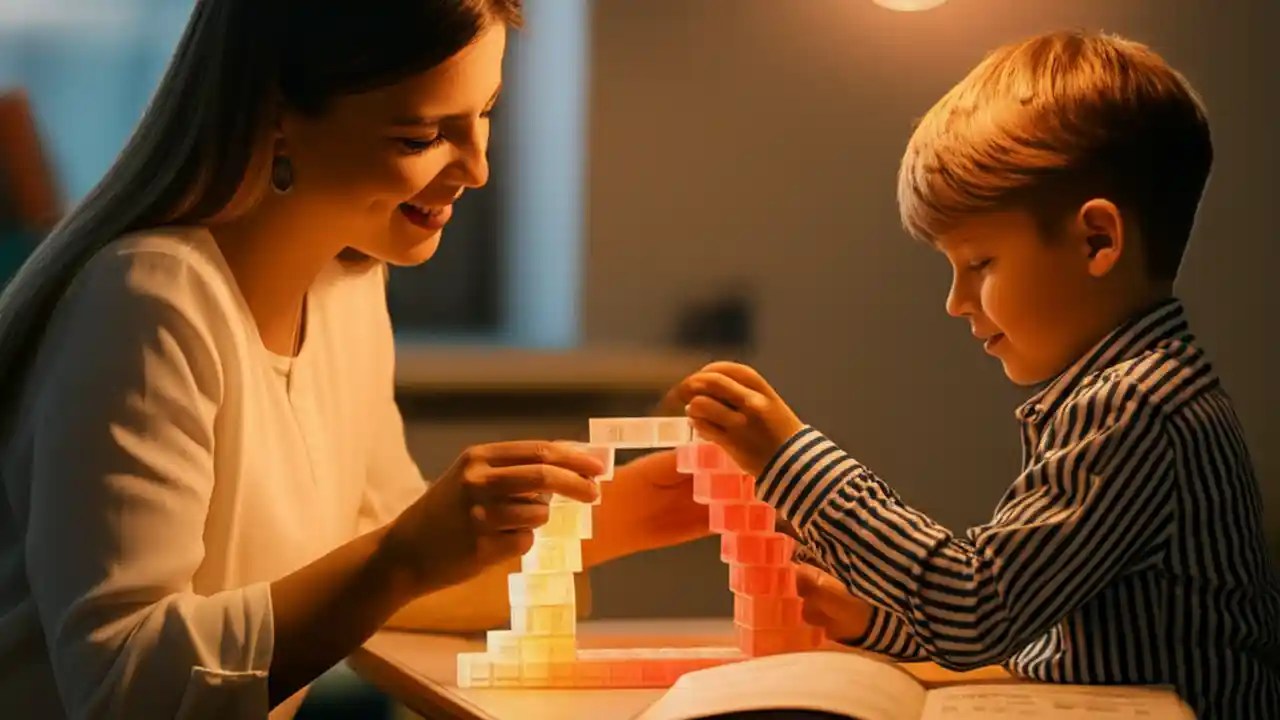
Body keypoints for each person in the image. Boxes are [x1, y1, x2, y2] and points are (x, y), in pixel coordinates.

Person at [0, 2, 707, 718]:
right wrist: (402, 554)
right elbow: (121, 684)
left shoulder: (346, 290)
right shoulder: (150, 301)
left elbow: (396, 578)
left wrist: (626, 510)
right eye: (423, 134)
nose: (478, 167)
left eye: (485, 111)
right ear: (277, 113)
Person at [673, 30, 1280, 718]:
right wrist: (876, 623)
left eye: (980, 263)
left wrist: (793, 460)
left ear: (1097, 241)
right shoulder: (1132, 391)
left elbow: (978, 607)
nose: (956, 302)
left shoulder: (1134, 405)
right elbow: (1033, 615)